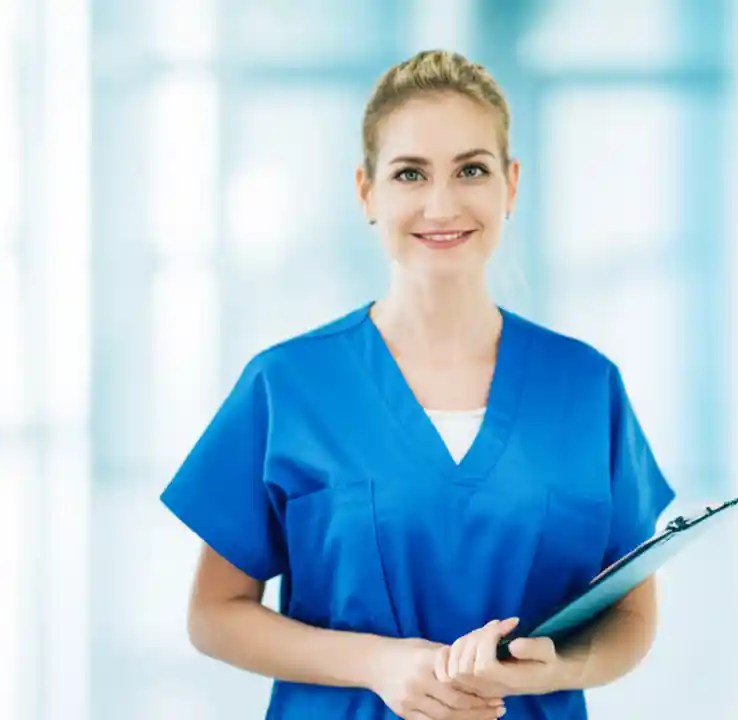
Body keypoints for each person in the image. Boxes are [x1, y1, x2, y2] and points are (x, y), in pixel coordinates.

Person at [159, 49, 676, 720]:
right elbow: (214, 615)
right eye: (410, 173)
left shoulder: (585, 387)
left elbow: (631, 617)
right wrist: (380, 664)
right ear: (367, 191)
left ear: (510, 185)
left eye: (471, 170)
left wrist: (551, 672)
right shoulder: (287, 385)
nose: (442, 203)